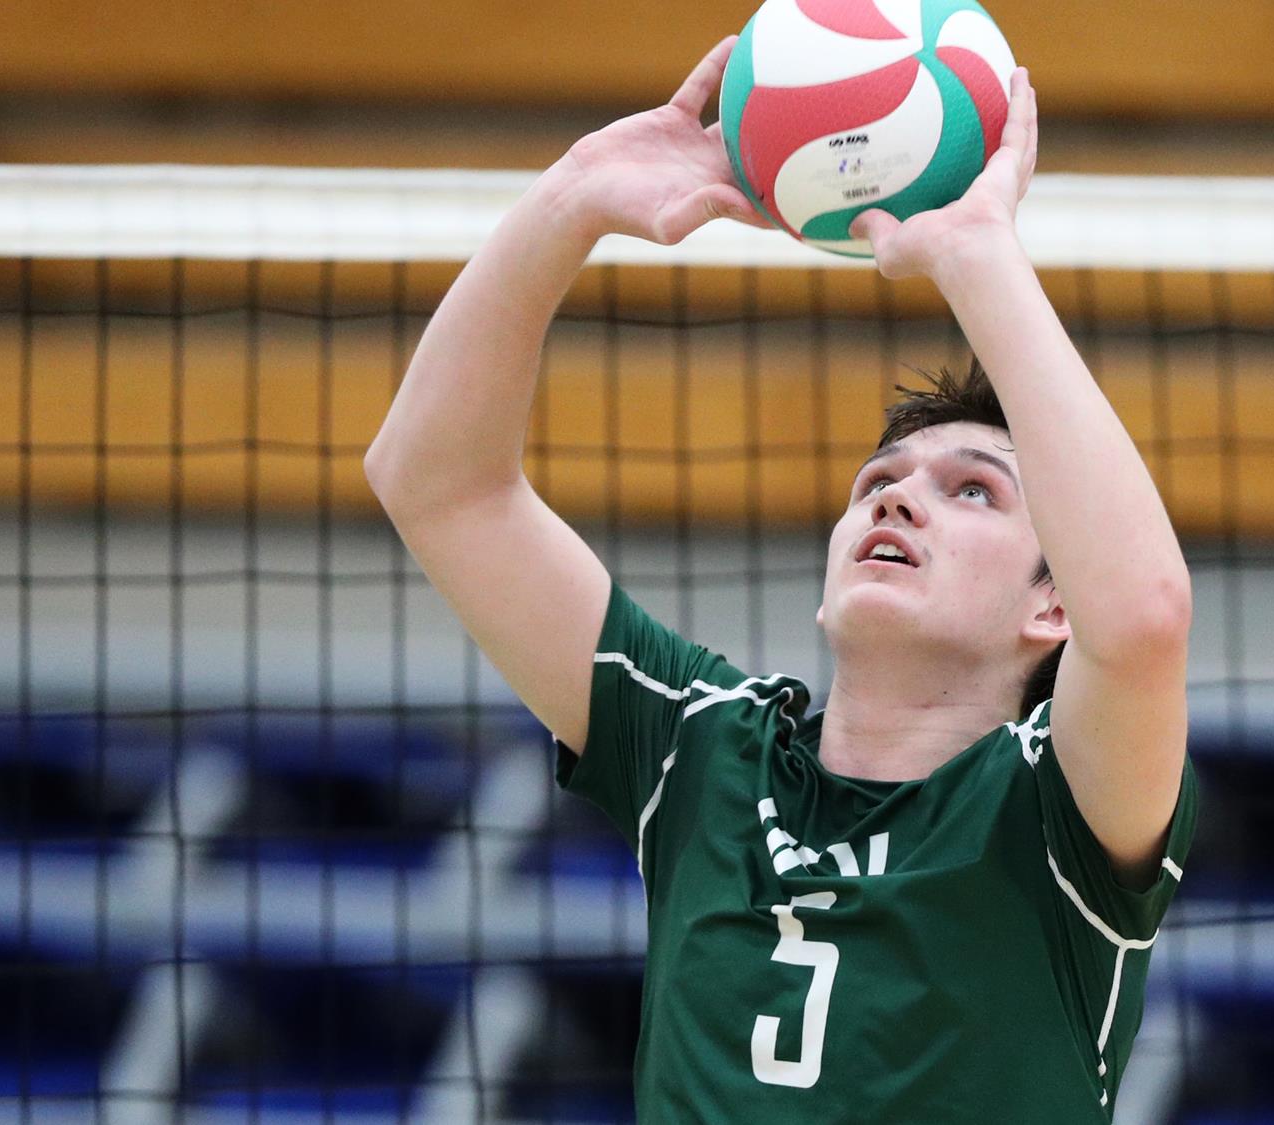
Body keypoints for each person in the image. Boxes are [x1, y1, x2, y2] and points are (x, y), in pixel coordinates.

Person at [365, 37, 1196, 1122]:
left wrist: (977, 256)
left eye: (973, 492)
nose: (895, 499)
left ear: (1053, 604)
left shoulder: (1056, 812)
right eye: (879, 479)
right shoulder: (700, 747)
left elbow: (1138, 617)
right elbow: (435, 483)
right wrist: (572, 197)